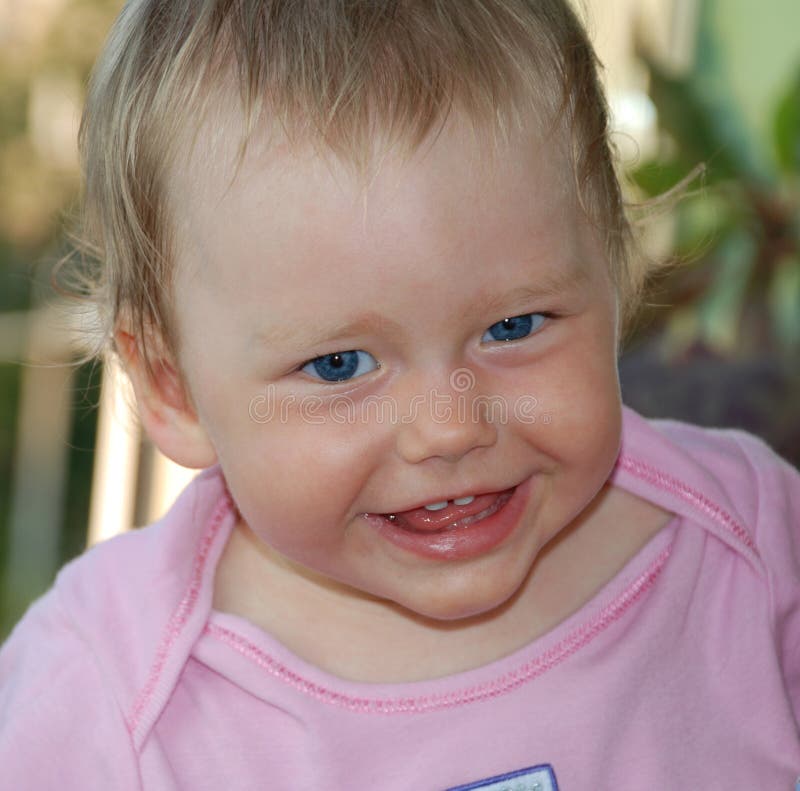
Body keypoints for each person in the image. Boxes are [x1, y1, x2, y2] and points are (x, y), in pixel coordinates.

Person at [1, 0, 799, 788]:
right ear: (172, 385)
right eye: (341, 365)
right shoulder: (100, 702)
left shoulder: (756, 555)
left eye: (515, 325)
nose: (449, 429)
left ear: (615, 270)